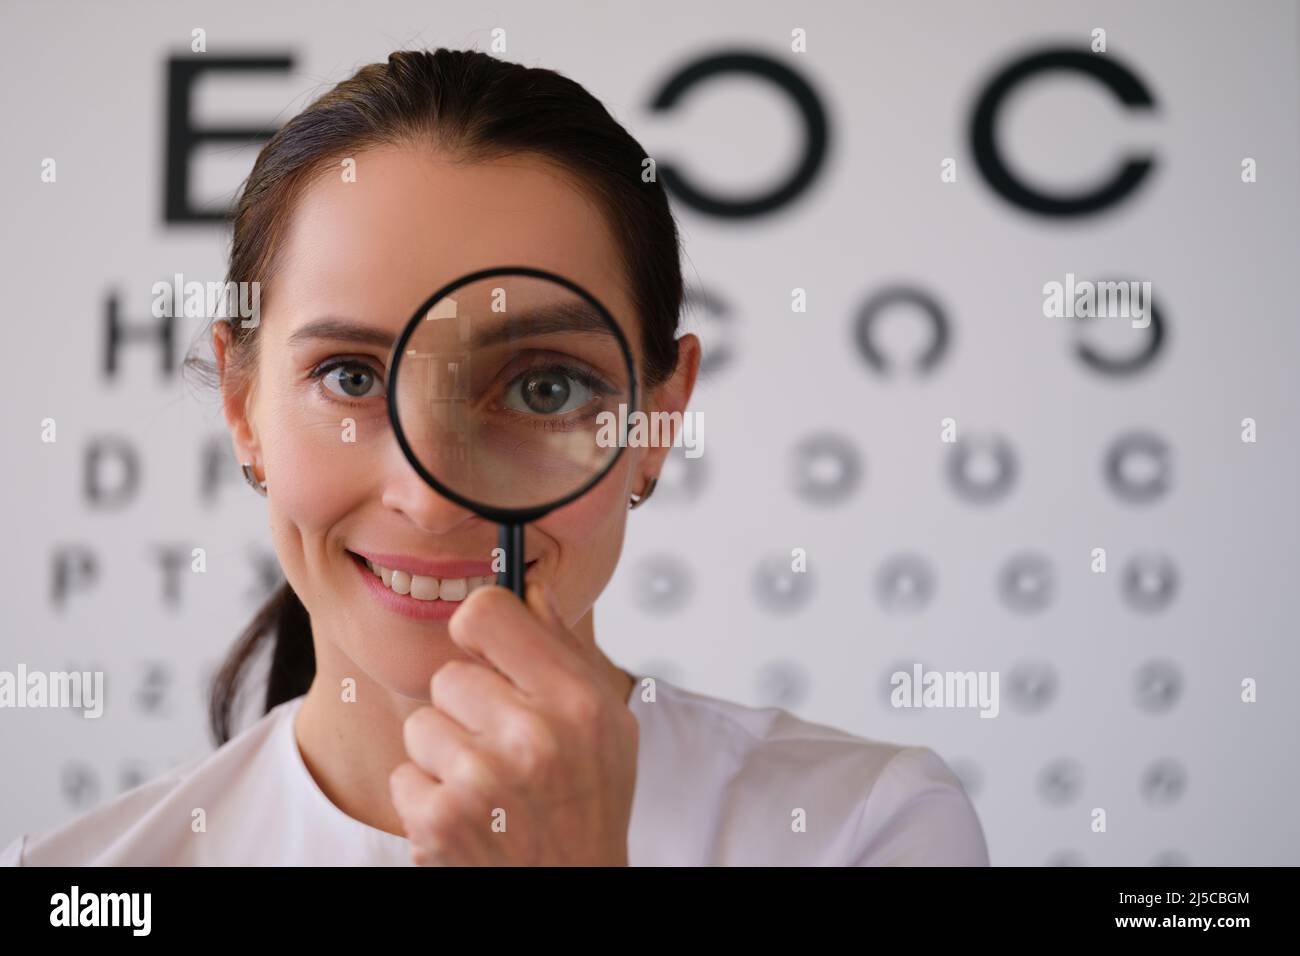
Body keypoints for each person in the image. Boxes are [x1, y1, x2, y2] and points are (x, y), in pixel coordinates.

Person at [2, 48, 988, 866]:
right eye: (349, 376)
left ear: (659, 419)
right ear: (241, 402)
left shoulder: (870, 827)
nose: (430, 501)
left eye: (542, 387)